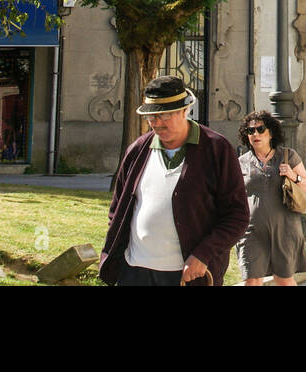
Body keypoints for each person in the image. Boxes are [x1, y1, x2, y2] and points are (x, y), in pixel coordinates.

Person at [99, 76, 248, 286]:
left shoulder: (216, 149)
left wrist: (203, 255)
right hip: (135, 272)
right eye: (151, 116)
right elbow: (117, 210)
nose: (156, 123)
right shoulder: (137, 151)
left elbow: (237, 216)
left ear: (185, 111)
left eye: (164, 115)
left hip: (187, 275)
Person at [236, 110, 306, 286]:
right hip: (251, 230)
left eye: (260, 129)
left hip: (285, 229)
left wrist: (294, 176)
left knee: (283, 279)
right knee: (251, 279)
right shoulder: (241, 162)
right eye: (250, 131)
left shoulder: (288, 155)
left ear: (270, 132)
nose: (255, 134)